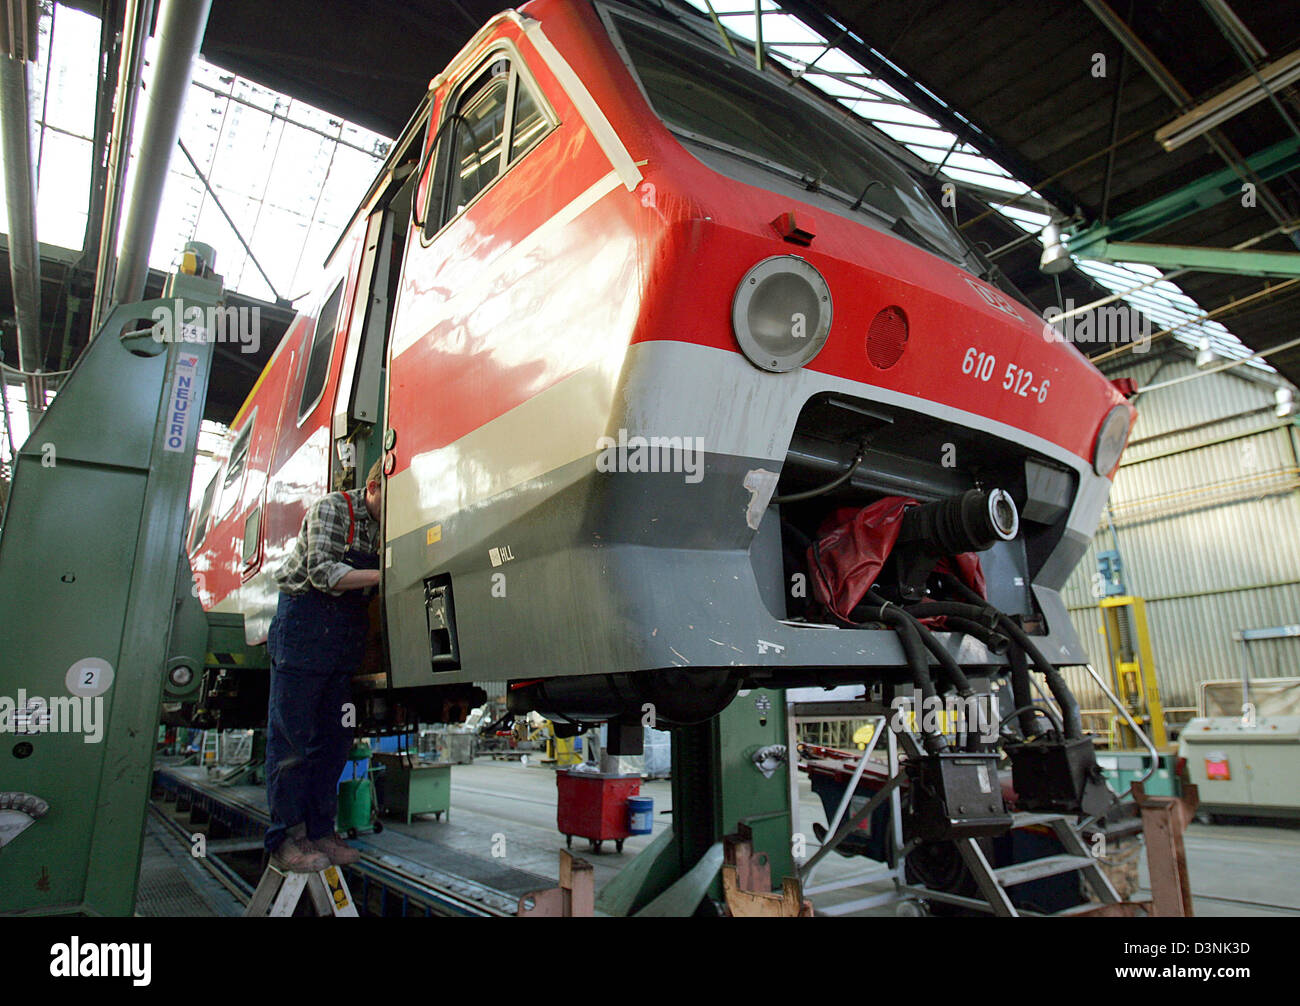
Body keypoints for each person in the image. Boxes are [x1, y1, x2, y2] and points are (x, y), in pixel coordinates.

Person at [263, 457, 383, 872]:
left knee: (334, 741)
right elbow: (322, 573)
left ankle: (320, 832)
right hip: (303, 630)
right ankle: (286, 839)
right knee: (290, 740)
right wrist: (381, 575)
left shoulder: (384, 525)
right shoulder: (333, 508)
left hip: (341, 643)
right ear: (372, 489)